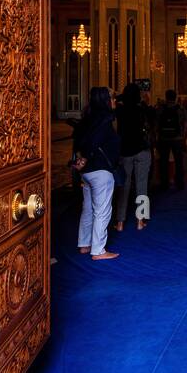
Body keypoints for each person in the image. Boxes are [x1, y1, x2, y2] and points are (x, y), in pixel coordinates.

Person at [72, 86, 120, 260]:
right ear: (105, 100)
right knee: (102, 210)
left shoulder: (87, 119)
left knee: (88, 208)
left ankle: (84, 244)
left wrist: (80, 159)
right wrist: (87, 157)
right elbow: (95, 142)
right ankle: (98, 250)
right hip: (100, 171)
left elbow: (78, 141)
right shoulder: (105, 119)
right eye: (112, 98)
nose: (114, 102)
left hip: (86, 172)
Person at [113, 83, 152, 232]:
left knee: (124, 186)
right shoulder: (142, 109)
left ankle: (120, 222)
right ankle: (140, 221)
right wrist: (145, 100)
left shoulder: (120, 110)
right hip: (142, 150)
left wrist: (122, 96)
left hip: (125, 151)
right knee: (142, 186)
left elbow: (115, 101)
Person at [157, 89, 187, 191]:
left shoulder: (161, 108)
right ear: (175, 97)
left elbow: (156, 122)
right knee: (179, 162)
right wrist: (184, 137)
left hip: (164, 138)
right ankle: (179, 183)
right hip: (177, 138)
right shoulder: (180, 109)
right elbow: (186, 123)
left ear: (166, 97)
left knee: (164, 162)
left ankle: (164, 183)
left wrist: (157, 135)